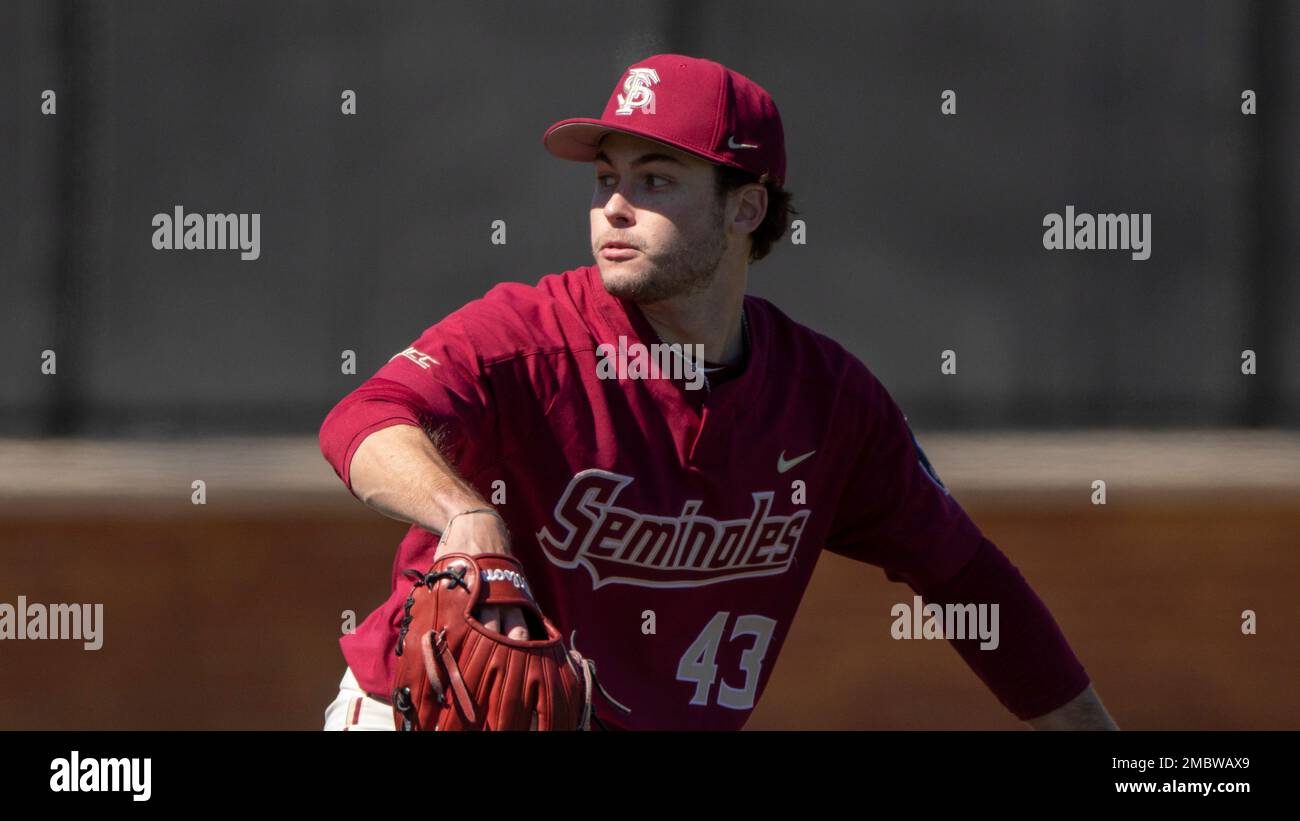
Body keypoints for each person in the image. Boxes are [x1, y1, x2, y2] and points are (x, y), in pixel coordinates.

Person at [318, 53, 1117, 731]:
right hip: (426, 714)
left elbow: (965, 578)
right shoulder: (530, 337)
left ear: (748, 207)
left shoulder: (827, 403)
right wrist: (466, 513)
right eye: (605, 178)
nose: (614, 208)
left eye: (656, 178)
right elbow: (365, 418)